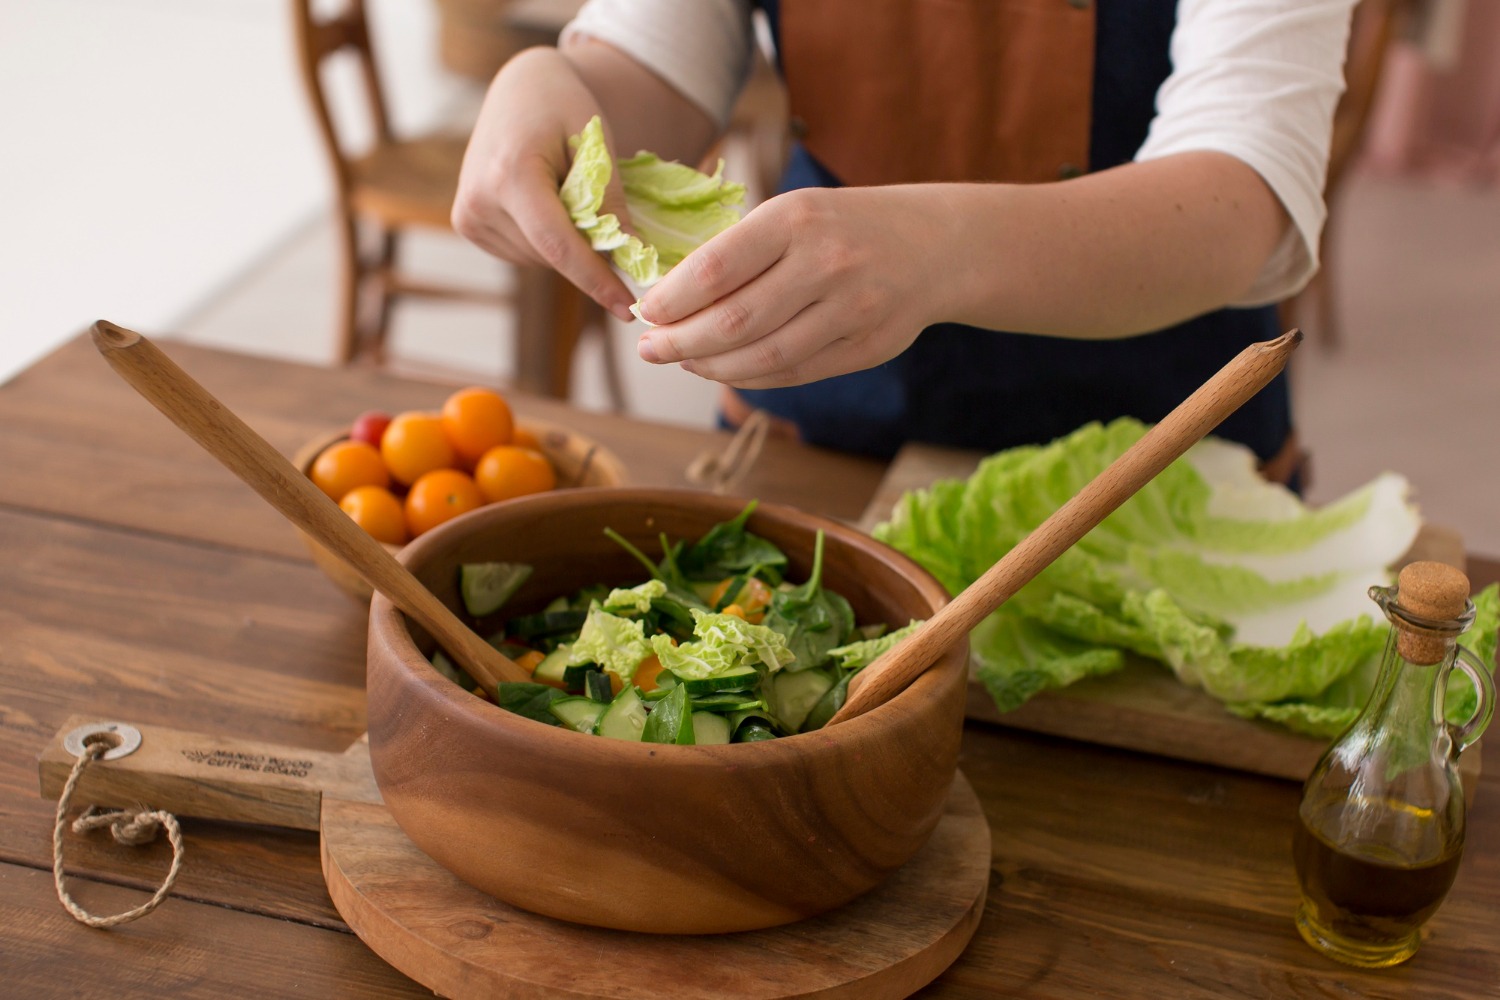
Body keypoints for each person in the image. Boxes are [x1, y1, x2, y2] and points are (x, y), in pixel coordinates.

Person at [452, 0, 1359, 487]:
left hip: (1154, 472)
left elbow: (1242, 202)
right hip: (815, 452)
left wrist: (941, 251)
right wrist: (551, 83)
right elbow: (651, 79)